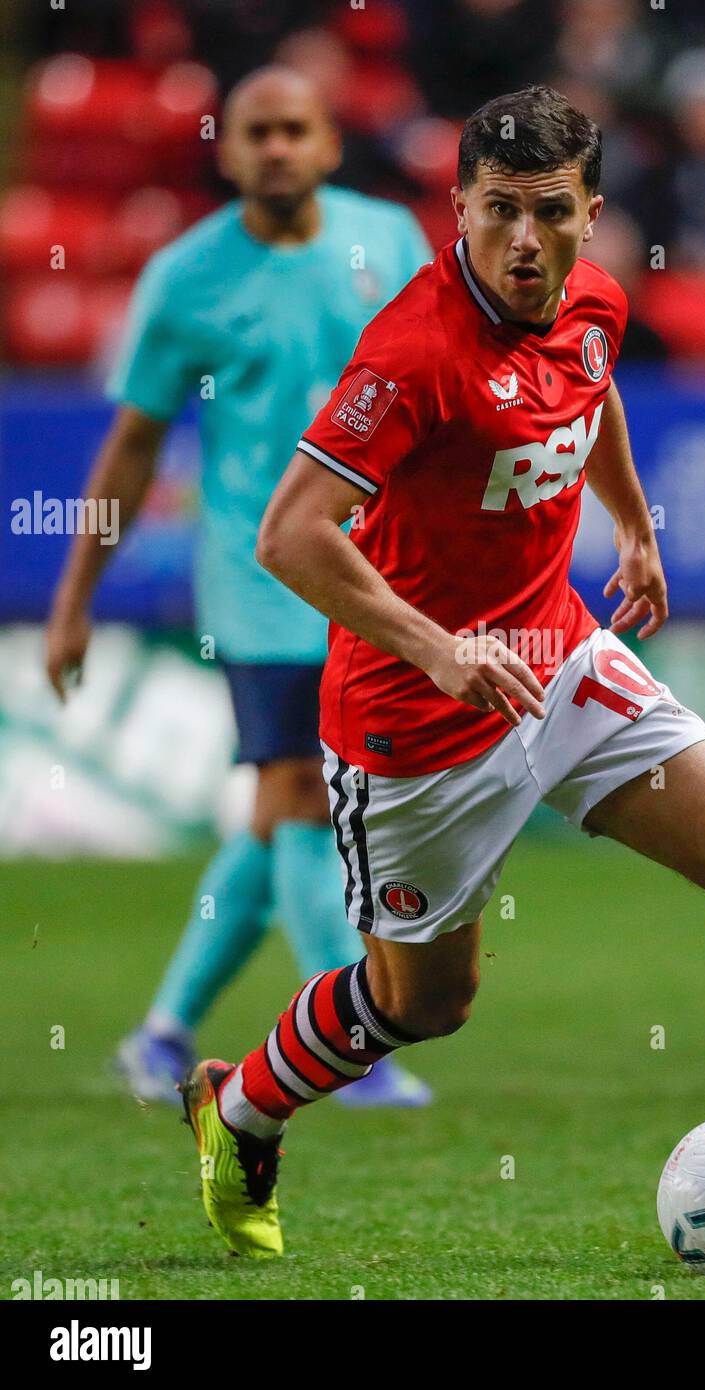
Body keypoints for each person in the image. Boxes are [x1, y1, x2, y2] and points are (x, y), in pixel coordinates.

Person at [178, 84, 705, 1257]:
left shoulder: (594, 297)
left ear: (590, 211)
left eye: (547, 213)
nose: (521, 242)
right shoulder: (412, 350)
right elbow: (288, 534)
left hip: (557, 656)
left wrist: (631, 521)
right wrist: (438, 645)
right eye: (495, 213)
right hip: (413, 721)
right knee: (419, 1006)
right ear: (460, 208)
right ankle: (238, 1110)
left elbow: (593, 383)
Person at [45, 67, 433, 1109]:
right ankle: (348, 1045)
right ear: (227, 149)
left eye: (293, 129)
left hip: (377, 571)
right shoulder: (185, 276)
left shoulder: (388, 244)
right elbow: (133, 443)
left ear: (327, 141)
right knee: (301, 794)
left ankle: (163, 1030)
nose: (274, 148)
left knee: (279, 816)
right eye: (256, 132)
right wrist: (76, 597)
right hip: (260, 578)